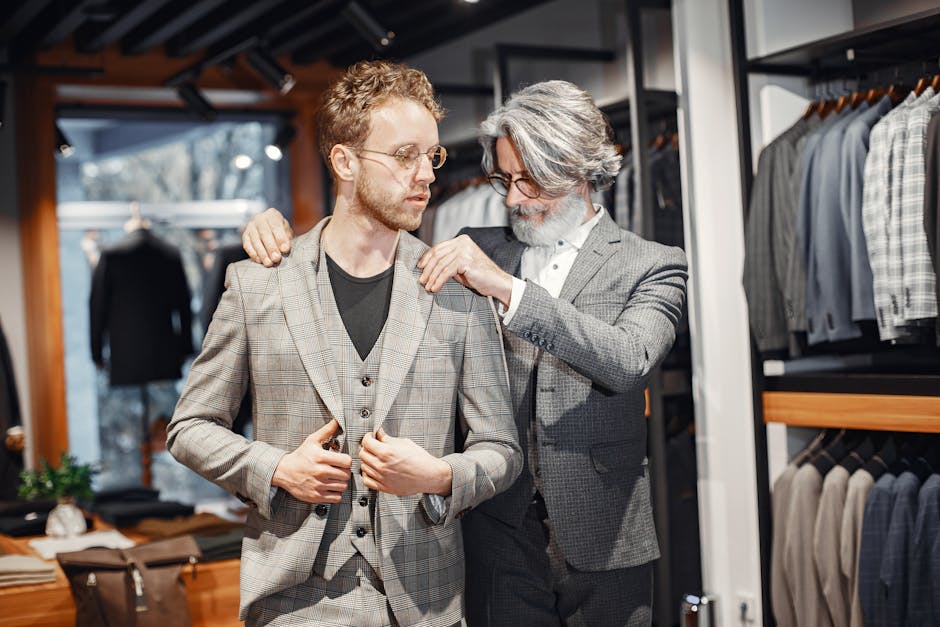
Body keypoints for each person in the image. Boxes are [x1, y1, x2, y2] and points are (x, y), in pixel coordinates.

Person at [244, 79, 688, 626]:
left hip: (605, 535)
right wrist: (274, 230)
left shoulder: (653, 265)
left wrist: (507, 288)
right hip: (492, 532)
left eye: (531, 181)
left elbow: (628, 360)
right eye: (505, 179)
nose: (512, 199)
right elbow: (369, 244)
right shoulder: (473, 247)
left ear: (579, 168)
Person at [168, 60, 521, 627]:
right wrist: (277, 468)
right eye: (404, 155)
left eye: (431, 156)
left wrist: (439, 476)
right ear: (345, 161)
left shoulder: (457, 292)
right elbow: (189, 429)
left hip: (425, 601)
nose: (426, 175)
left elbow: (502, 449)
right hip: (293, 600)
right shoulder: (260, 284)